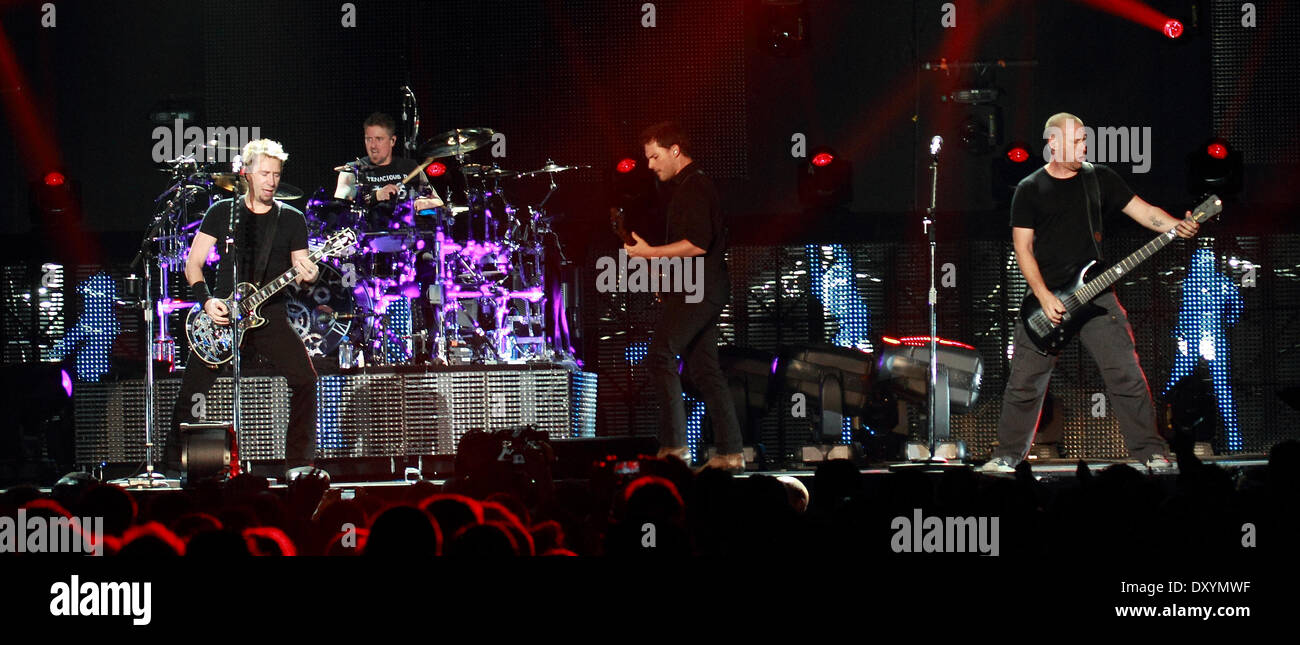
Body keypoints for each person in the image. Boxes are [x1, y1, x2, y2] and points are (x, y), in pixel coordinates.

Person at [983, 113, 1199, 473]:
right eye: (1077, 141)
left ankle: (1151, 452)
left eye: (1085, 140)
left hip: (1097, 295)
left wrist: (1177, 225)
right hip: (1047, 299)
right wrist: (1043, 295)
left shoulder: (1099, 179)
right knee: (1024, 384)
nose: (1085, 147)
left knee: (1126, 373)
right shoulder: (1029, 189)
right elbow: (1023, 248)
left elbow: (1144, 211)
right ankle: (1007, 456)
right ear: (1053, 143)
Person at [165, 139, 323, 482]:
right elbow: (192, 264)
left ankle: (298, 464)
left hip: (271, 316)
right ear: (246, 173)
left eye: (276, 174)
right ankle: (171, 467)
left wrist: (309, 275)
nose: (271, 181)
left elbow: (301, 268)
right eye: (264, 173)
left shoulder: (292, 218)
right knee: (192, 389)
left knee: (306, 381)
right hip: (222, 314)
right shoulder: (223, 212)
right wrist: (207, 300)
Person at [624, 121, 744, 473]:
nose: (650, 165)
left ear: (675, 151)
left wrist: (648, 254)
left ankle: (675, 449)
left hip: (703, 290)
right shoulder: (686, 187)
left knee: (661, 354)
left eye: (654, 156)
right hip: (700, 287)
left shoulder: (695, 186)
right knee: (705, 368)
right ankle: (730, 453)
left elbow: (696, 244)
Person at [333, 112, 443, 215]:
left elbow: (439, 202)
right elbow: (341, 212)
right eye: (369, 139)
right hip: (370, 233)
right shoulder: (352, 170)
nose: (373, 146)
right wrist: (376, 196)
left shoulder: (411, 167)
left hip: (408, 232)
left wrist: (424, 203)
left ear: (392, 141)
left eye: (379, 139)